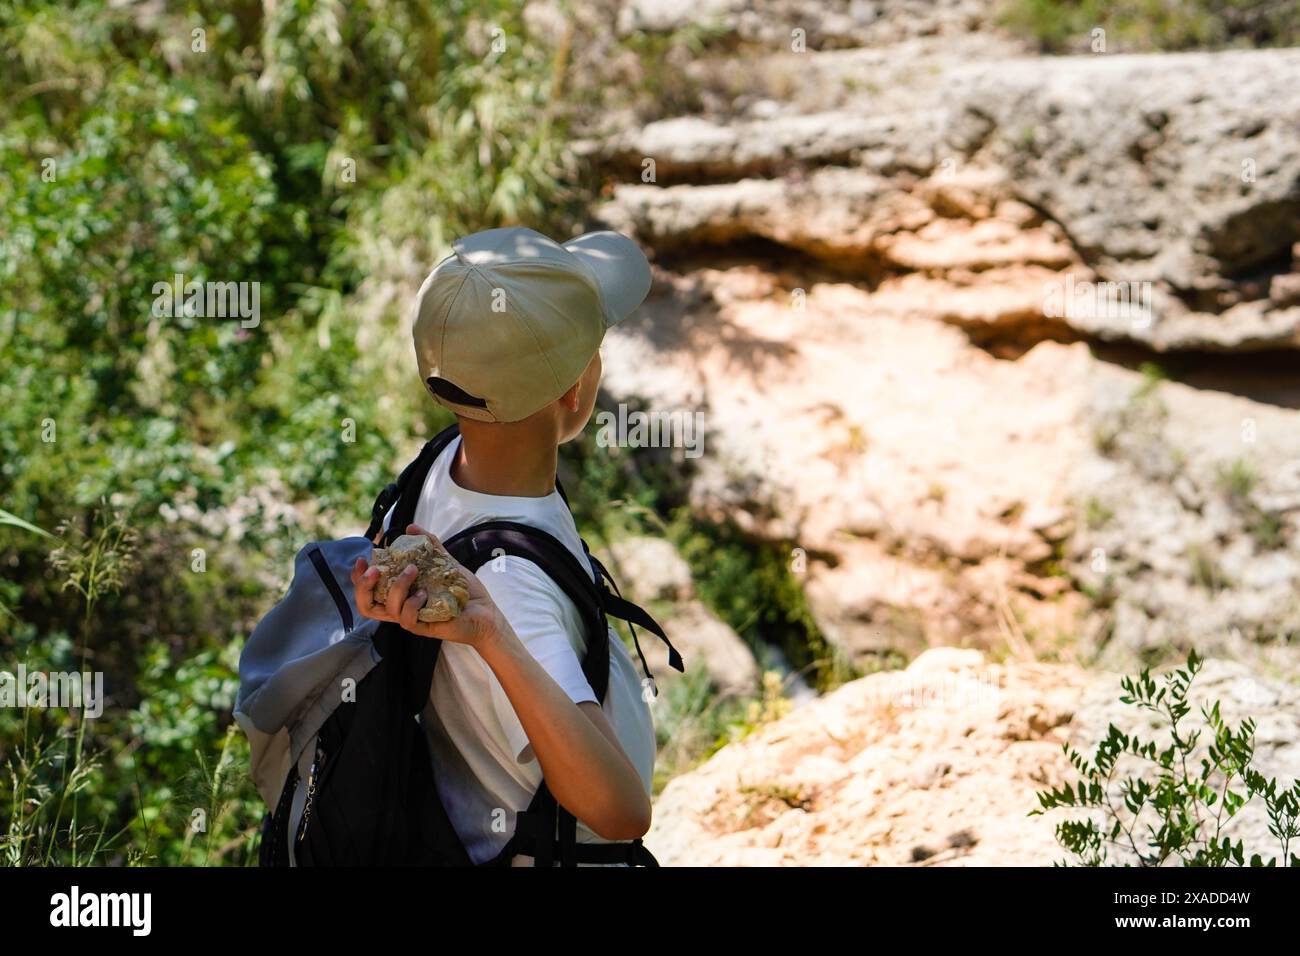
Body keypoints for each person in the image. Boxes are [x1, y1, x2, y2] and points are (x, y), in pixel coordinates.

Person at [349, 226, 657, 866]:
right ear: (574, 390)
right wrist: (494, 636)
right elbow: (621, 811)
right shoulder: (513, 583)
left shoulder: (443, 465)